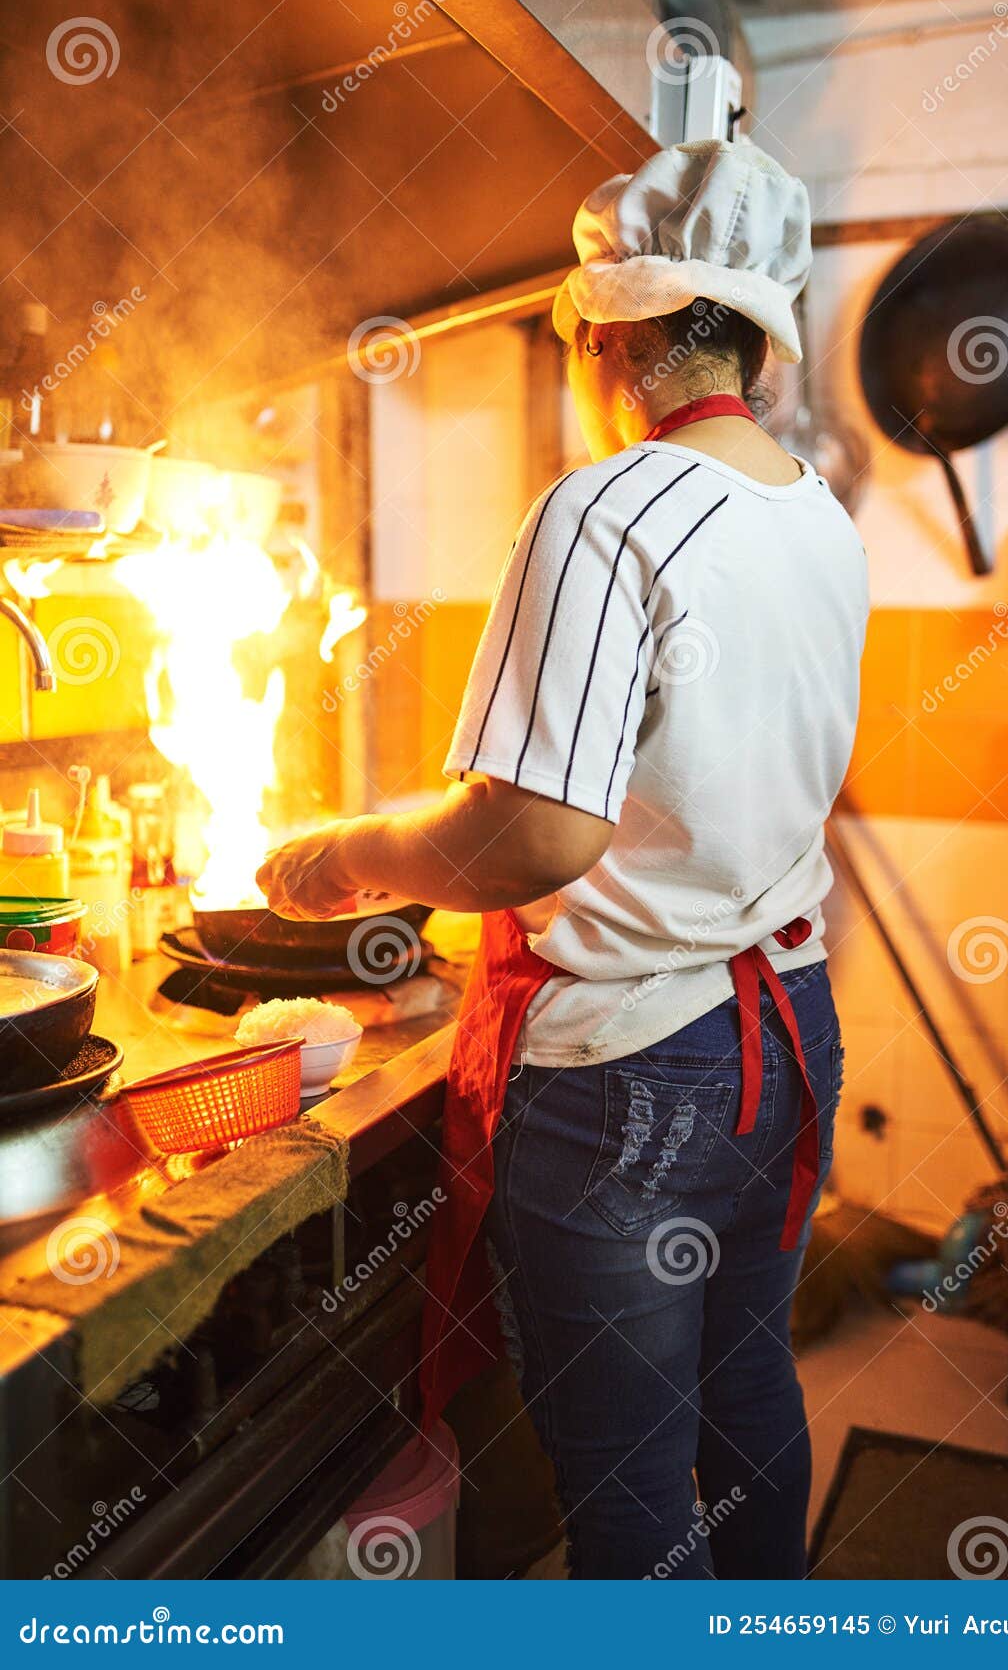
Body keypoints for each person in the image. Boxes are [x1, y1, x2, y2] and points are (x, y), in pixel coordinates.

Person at [257, 136, 869, 1580]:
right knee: (748, 1391)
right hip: (786, 1026)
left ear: (615, 331)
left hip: (631, 1072)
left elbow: (537, 832)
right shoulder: (817, 514)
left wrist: (346, 856)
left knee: (632, 1486)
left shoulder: (603, 509)